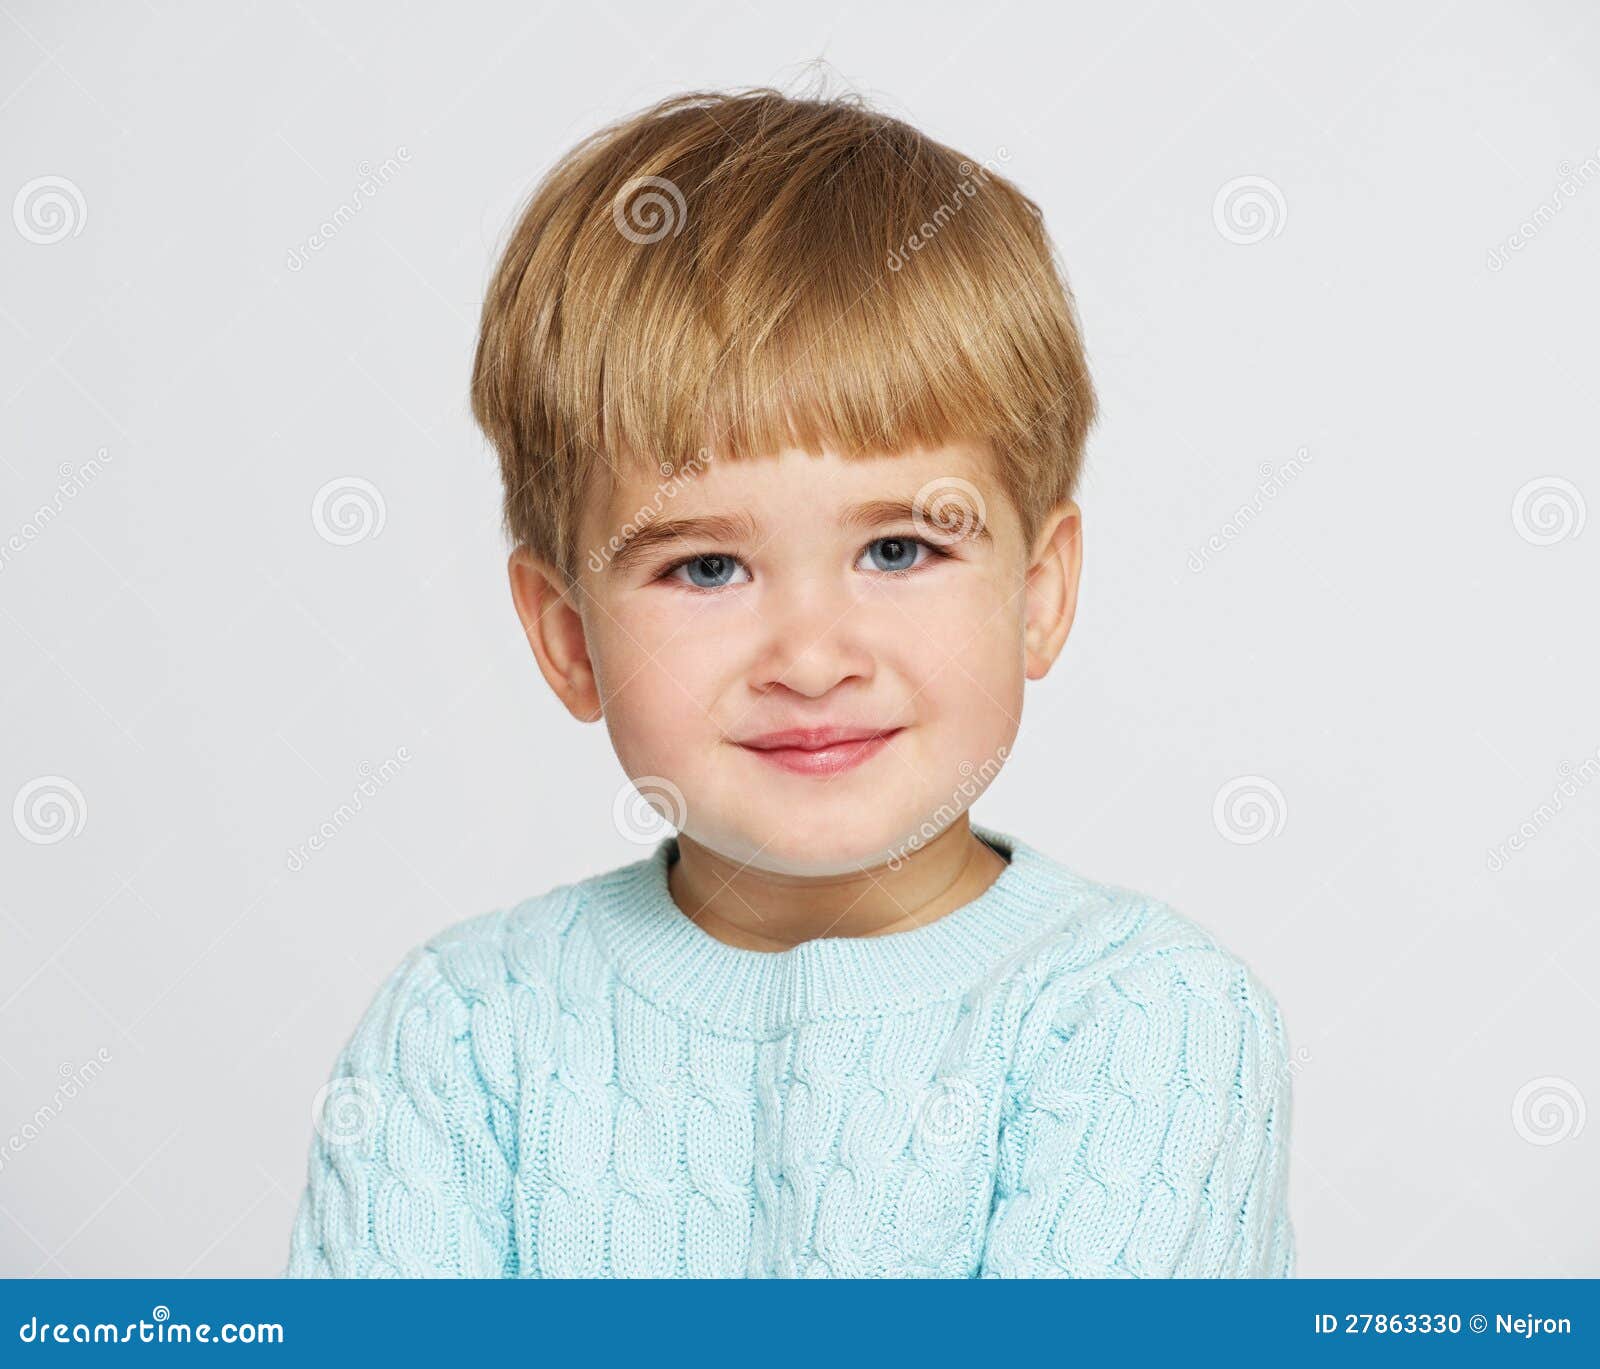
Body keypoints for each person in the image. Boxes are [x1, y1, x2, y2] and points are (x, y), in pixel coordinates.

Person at [285, 84, 1295, 1278]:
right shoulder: (462, 1033)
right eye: (706, 566)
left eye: (899, 548)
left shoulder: (1146, 1021)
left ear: (1038, 591)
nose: (811, 658)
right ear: (566, 635)